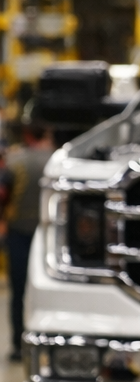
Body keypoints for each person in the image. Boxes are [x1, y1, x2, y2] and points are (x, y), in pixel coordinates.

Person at [2, 122, 54, 362]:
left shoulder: (15, 161)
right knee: (52, 293)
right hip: (49, 236)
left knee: (18, 291)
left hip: (19, 232)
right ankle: (52, 345)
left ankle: (18, 346)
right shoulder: (56, 161)